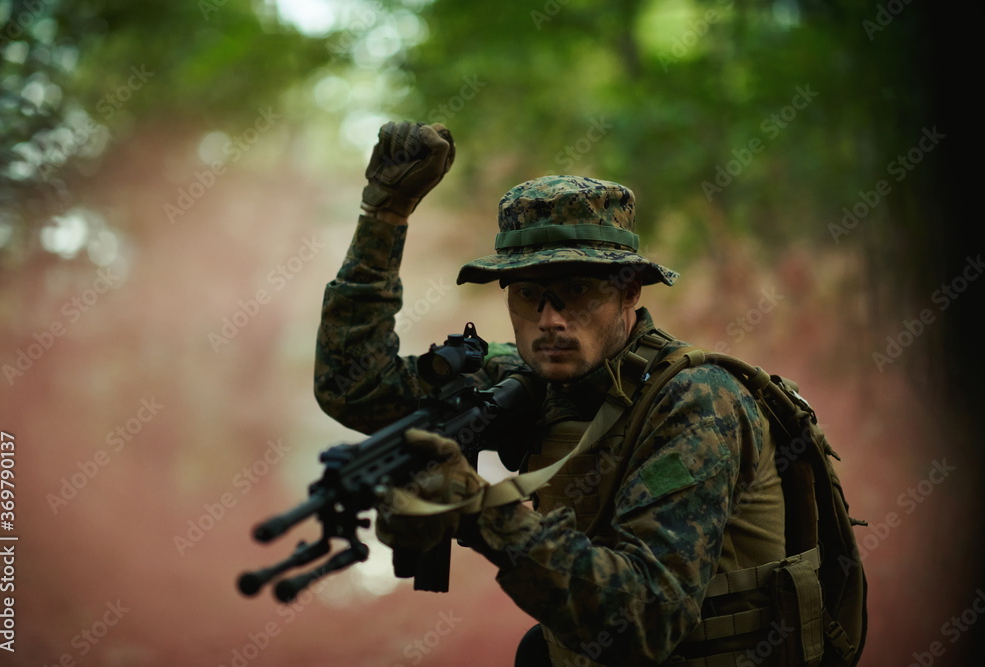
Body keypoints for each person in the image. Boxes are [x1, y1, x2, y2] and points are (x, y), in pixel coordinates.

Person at [314, 121, 787, 666]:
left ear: (629, 290)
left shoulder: (697, 401)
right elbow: (354, 387)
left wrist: (482, 510)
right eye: (530, 294)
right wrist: (384, 215)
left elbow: (647, 620)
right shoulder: (526, 377)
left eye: (577, 291)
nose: (550, 320)